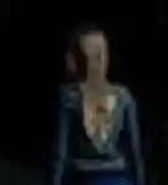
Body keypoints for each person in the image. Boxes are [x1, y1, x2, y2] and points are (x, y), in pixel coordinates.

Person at [50, 23, 146, 185]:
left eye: (101, 52)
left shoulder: (69, 97)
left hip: (82, 178)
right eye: (96, 54)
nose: (100, 59)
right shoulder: (123, 96)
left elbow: (60, 154)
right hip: (117, 178)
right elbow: (135, 152)